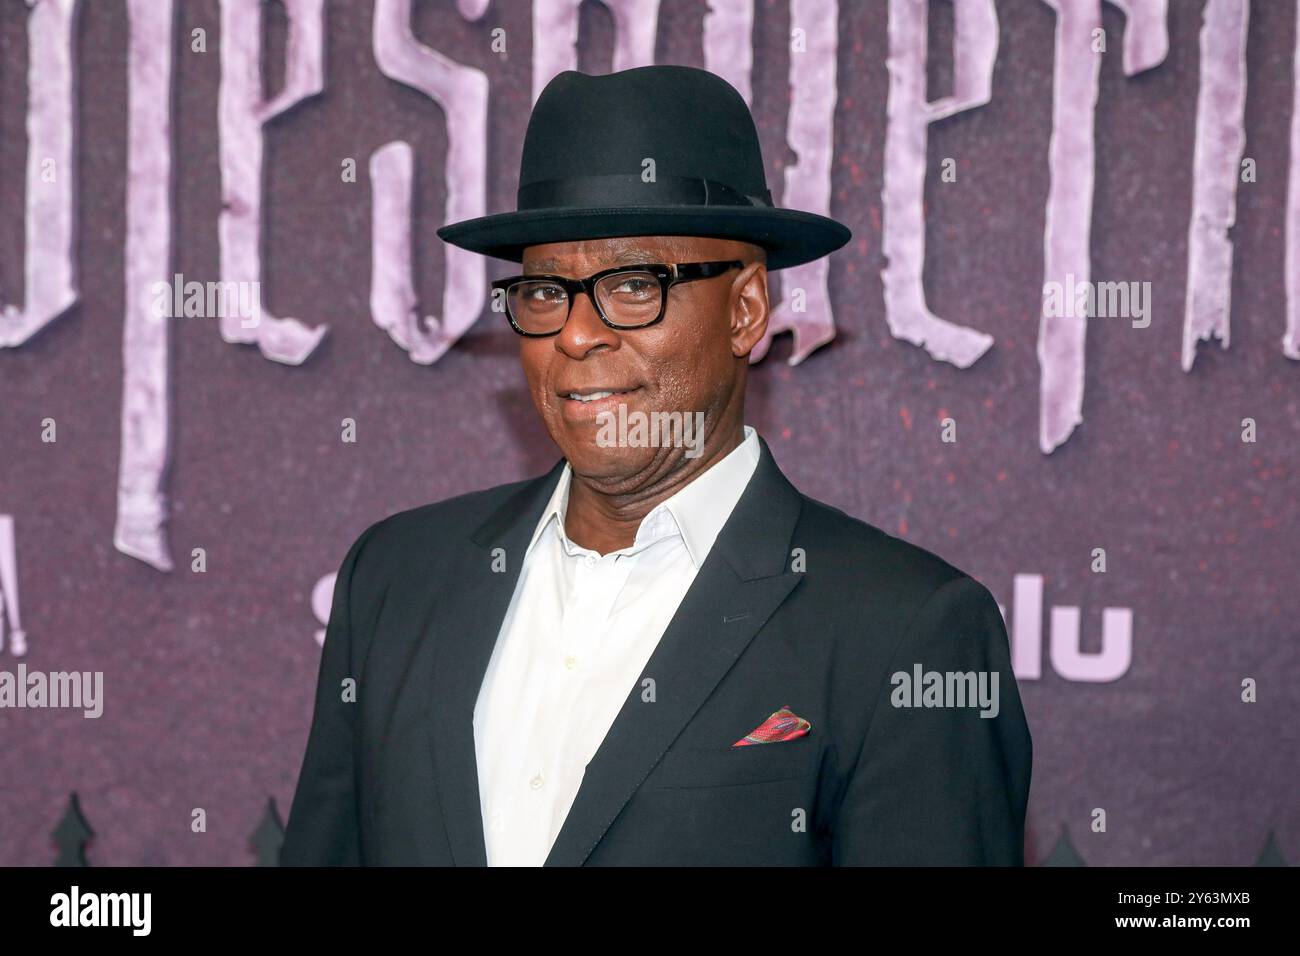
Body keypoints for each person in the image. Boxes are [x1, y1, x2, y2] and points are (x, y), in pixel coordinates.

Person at [281, 64, 1031, 866]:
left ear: (746, 310)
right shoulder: (398, 579)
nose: (574, 335)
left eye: (635, 285)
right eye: (542, 292)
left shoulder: (906, 631)